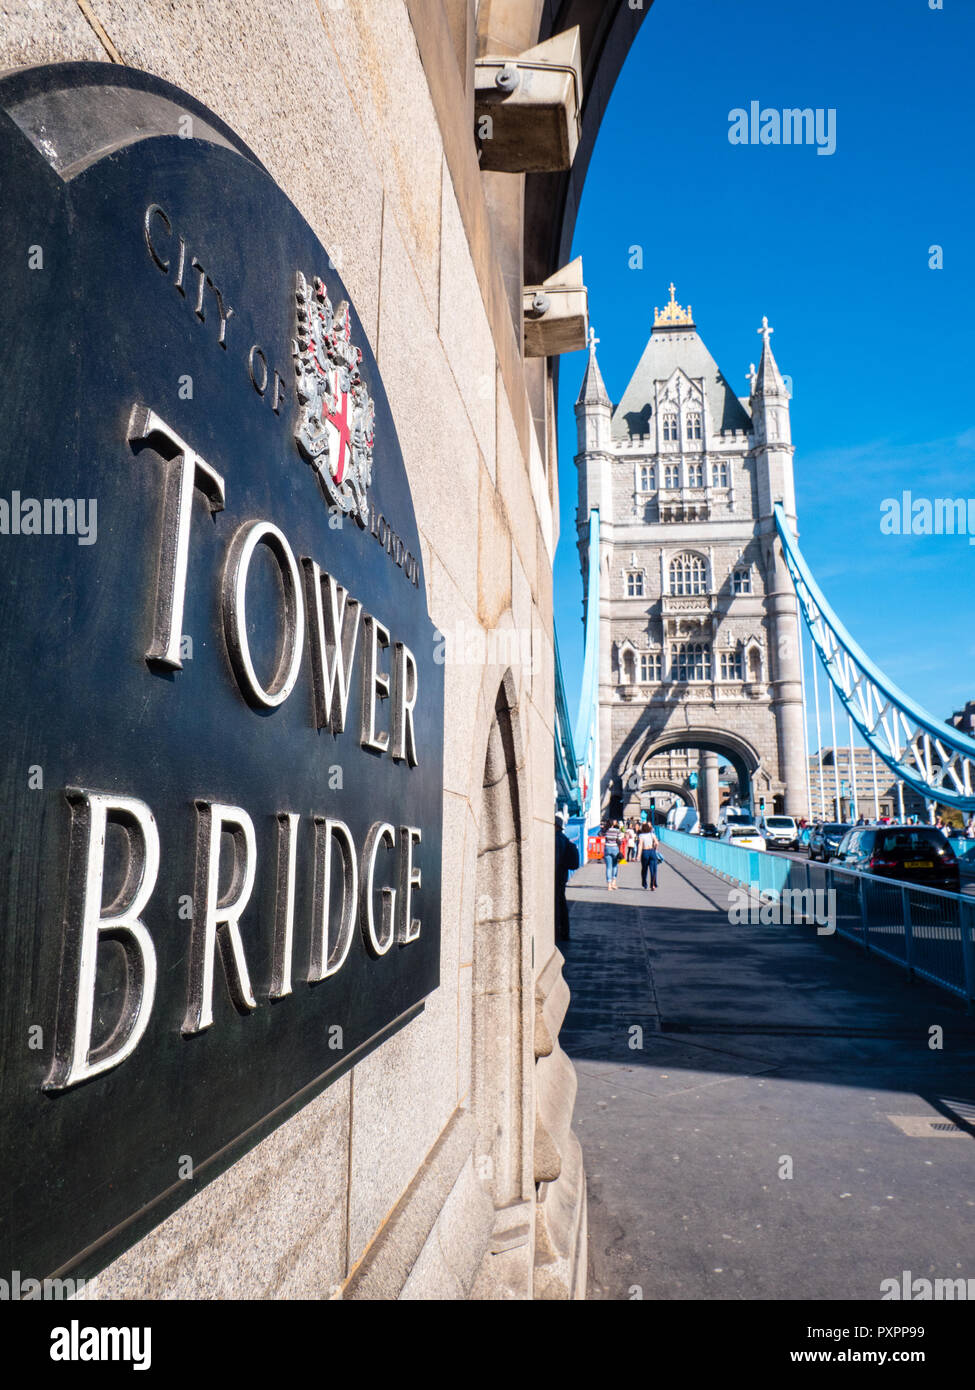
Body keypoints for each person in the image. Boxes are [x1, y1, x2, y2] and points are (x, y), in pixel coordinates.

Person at [554, 819, 580, 941]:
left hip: (557, 876)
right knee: (561, 902)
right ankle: (564, 931)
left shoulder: (557, 839)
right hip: (562, 876)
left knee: (558, 904)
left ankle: (561, 931)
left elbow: (556, 860)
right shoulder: (564, 838)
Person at [638, 822, 660, 890]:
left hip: (645, 852)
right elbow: (657, 843)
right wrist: (655, 849)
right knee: (653, 869)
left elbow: (640, 845)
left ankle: (644, 883)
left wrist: (638, 855)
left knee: (644, 869)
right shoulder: (652, 834)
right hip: (652, 851)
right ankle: (653, 885)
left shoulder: (641, 835)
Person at [603, 820, 622, 890]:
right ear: (613, 824)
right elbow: (620, 840)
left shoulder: (606, 830)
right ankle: (614, 882)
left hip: (607, 848)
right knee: (615, 866)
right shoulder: (617, 831)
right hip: (615, 848)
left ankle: (609, 885)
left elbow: (600, 834)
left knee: (608, 867)